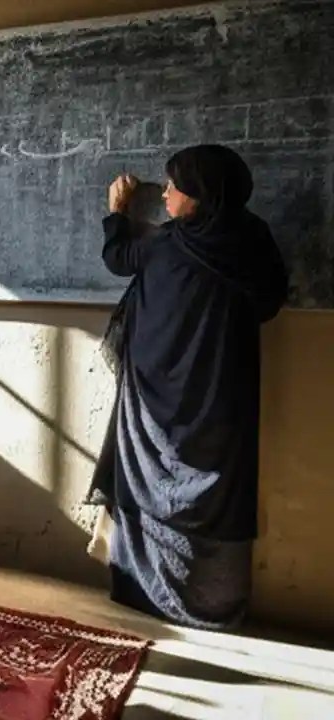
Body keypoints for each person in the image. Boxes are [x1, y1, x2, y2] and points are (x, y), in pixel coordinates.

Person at [88, 144, 289, 629]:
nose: (168, 193)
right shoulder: (254, 241)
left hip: (156, 394)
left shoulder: (165, 244)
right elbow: (271, 299)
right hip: (224, 397)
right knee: (215, 493)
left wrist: (117, 210)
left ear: (201, 196)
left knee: (153, 480)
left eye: (176, 186)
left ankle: (146, 589)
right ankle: (214, 601)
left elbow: (117, 256)